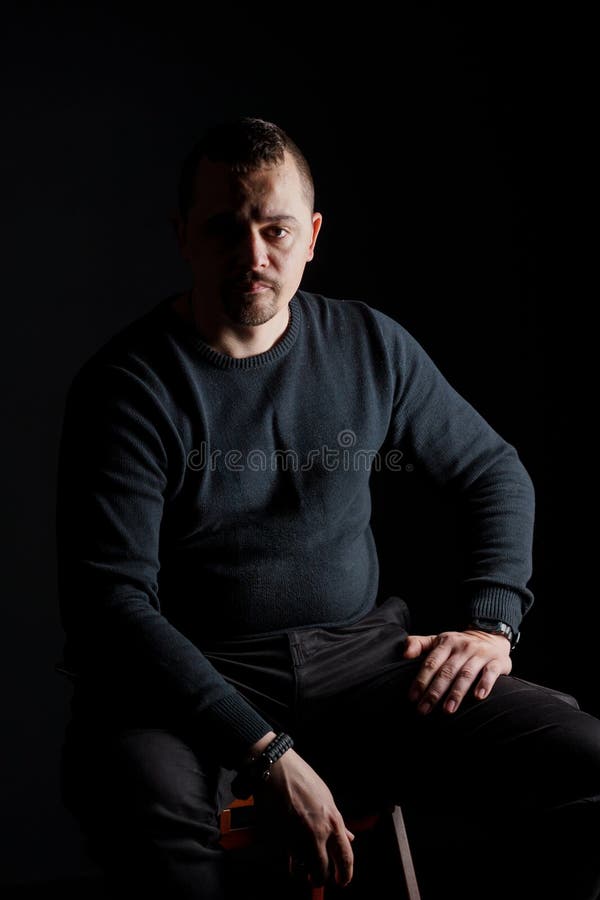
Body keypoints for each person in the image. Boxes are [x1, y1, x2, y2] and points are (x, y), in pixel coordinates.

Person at [55, 117, 599, 900]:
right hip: (187, 679)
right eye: (224, 228)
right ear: (183, 235)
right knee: (150, 820)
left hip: (361, 665)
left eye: (275, 230)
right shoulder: (129, 389)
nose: (253, 258)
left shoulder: (369, 344)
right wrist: (265, 752)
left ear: (310, 235)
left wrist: (492, 622)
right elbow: (110, 608)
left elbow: (494, 472)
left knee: (583, 758)